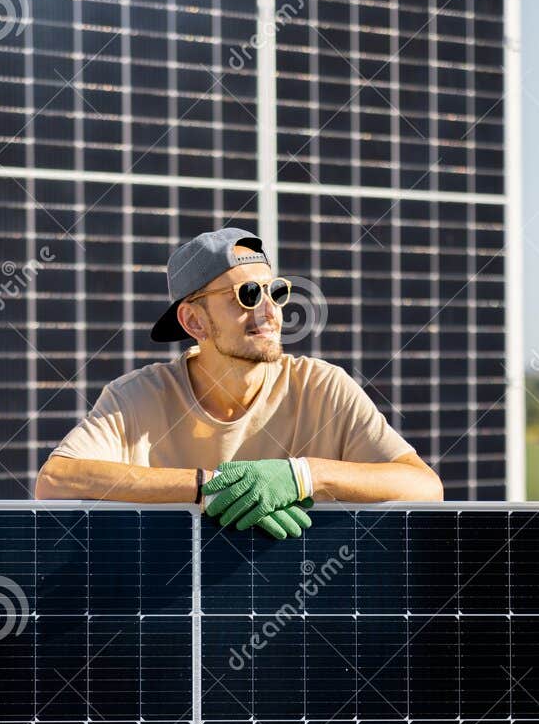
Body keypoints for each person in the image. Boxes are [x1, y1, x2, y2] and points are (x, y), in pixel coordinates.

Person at [35, 225, 443, 538]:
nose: (269, 311)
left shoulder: (323, 387)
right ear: (194, 320)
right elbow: (56, 481)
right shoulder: (137, 397)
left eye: (275, 292)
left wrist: (302, 475)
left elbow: (424, 487)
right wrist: (207, 488)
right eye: (247, 295)